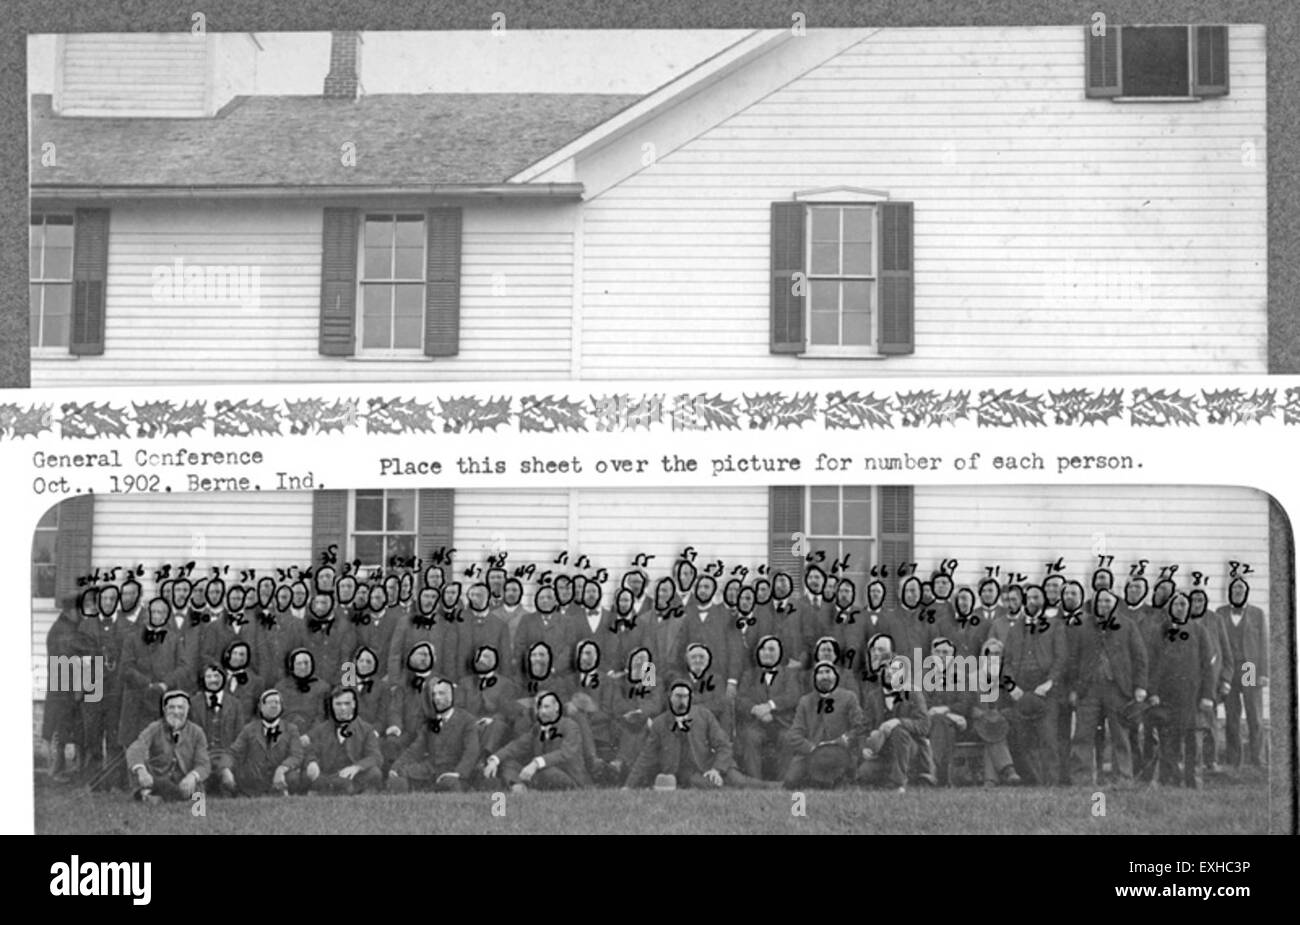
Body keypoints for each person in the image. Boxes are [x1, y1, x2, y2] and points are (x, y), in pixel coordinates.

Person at [1068, 589, 1148, 787]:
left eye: (1107, 601)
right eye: (1100, 601)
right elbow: (1073, 660)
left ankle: (1122, 778)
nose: (1103, 604)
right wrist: (1074, 688)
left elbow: (1140, 658)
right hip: (1089, 689)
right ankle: (1082, 779)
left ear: (1116, 603)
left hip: (1117, 689)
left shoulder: (1128, 625)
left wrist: (1140, 687)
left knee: (1120, 736)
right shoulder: (1084, 627)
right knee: (1083, 735)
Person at [1147, 593, 1217, 789]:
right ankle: (1170, 779)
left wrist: (1207, 695)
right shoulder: (1159, 631)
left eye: (1184, 604)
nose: (1181, 607)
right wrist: (1153, 692)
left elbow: (1208, 666)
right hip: (1167, 695)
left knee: (1193, 738)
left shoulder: (1199, 631)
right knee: (1169, 738)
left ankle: (1194, 780)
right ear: (1170, 607)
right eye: (1177, 604)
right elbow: (1152, 664)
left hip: (1192, 695)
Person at [624, 682, 748, 789]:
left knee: (740, 782)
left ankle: (766, 789)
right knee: (707, 785)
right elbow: (646, 756)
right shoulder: (659, 723)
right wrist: (628, 786)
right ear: (670, 697)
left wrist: (716, 770)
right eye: (678, 696)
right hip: (686, 772)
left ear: (691, 698)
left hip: (710, 764)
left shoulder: (703, 715)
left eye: (685, 696)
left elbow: (723, 745)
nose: (682, 700)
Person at [1002, 585, 1067, 785]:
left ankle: (1052, 782)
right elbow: (1008, 661)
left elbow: (1061, 658)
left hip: (1045, 691)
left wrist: (1049, 683)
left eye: (1036, 597)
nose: (1032, 601)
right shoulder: (1015, 630)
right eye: (1028, 597)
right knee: (1023, 739)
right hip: (1021, 692)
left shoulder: (1055, 625)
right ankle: (1031, 780)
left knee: (1048, 737)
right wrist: (1011, 686)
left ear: (1043, 599)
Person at [118, 596, 193, 765]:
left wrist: (165, 683)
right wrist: (146, 683)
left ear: (167, 615)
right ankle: (137, 780)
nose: (157, 615)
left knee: (162, 741)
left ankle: (159, 778)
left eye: (162, 612)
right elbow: (126, 667)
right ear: (147, 613)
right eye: (154, 611)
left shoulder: (174, 639)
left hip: (163, 698)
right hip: (138, 697)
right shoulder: (132, 637)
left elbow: (184, 667)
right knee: (136, 740)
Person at [856, 641, 935, 792]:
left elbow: (924, 725)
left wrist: (898, 721)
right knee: (864, 774)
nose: (889, 672)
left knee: (899, 731)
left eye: (894, 669)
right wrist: (864, 748)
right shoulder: (873, 697)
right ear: (879, 672)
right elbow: (863, 728)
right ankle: (897, 775)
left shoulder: (913, 693)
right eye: (884, 668)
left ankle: (898, 783)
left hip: (911, 750)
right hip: (883, 752)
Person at [484, 691, 591, 791]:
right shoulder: (537, 728)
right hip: (542, 772)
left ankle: (526, 785)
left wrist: (535, 763)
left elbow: (565, 753)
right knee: (509, 764)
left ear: (556, 707)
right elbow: (517, 745)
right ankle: (517, 786)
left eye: (546, 707)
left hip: (568, 775)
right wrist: (495, 759)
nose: (542, 711)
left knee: (549, 773)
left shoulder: (570, 726)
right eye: (538, 707)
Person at [388, 678, 480, 793]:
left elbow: (471, 751)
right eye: (434, 694)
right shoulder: (430, 723)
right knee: (399, 776)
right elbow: (415, 750)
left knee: (450, 784)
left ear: (452, 697)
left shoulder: (467, 721)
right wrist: (396, 767)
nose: (436, 698)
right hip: (430, 769)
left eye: (441, 693)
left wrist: (458, 773)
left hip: (453, 770)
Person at [785, 661, 865, 790]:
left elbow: (859, 727)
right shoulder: (805, 701)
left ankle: (835, 781)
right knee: (791, 779)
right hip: (812, 753)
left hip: (841, 752)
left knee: (841, 781)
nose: (824, 676)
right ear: (814, 677)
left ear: (835, 676)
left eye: (828, 672)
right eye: (820, 673)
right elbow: (794, 733)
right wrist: (811, 747)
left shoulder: (849, 697)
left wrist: (842, 741)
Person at [1215, 578, 1268, 771]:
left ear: (1247, 591)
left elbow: (1263, 645)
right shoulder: (1220, 613)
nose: (1238, 591)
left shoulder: (1257, 613)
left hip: (1249, 668)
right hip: (1229, 669)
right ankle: (1233, 759)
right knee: (1232, 715)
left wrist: (1263, 673)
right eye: (1234, 588)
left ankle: (1258, 759)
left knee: (1254, 715)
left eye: (1241, 588)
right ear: (1229, 591)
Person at [125, 689, 211, 804]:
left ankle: (154, 796)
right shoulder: (155, 728)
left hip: (183, 780)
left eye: (180, 708)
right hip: (157, 779)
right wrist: (141, 771)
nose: (176, 712)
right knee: (137, 765)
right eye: (171, 707)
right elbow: (136, 748)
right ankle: (149, 794)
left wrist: (192, 776)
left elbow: (204, 763)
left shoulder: (197, 732)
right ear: (164, 710)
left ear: (187, 710)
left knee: (197, 790)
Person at [736, 635, 802, 781]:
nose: (766, 653)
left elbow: (793, 696)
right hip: (756, 722)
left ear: (780, 653)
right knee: (749, 736)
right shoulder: (749, 674)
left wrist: (769, 706)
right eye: (763, 649)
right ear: (758, 653)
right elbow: (740, 699)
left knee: (788, 738)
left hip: (782, 722)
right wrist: (755, 710)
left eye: (771, 649)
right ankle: (754, 782)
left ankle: (784, 782)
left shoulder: (789, 674)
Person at [44, 592, 91, 780]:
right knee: (62, 729)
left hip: (70, 687)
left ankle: (77, 767)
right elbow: (69, 660)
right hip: (63, 688)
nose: (82, 613)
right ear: (71, 610)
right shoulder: (62, 631)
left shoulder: (70, 627)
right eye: (79, 610)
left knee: (75, 728)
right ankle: (57, 770)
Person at [303, 686, 384, 795]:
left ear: (354, 704)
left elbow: (375, 757)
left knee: (375, 773)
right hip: (329, 775)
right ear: (332, 705)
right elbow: (312, 752)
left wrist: (356, 767)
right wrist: (312, 762)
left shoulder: (366, 729)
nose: (343, 708)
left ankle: (335, 790)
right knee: (308, 775)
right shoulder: (321, 729)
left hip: (354, 776)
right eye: (338, 704)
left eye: (347, 704)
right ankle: (339, 789)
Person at [228, 689, 305, 796]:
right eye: (269, 702)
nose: (274, 706)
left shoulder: (291, 729)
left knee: (293, 776)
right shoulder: (249, 729)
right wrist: (226, 769)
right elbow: (234, 752)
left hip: (280, 776)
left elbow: (297, 755)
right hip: (255, 778)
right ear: (261, 707)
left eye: (277, 702)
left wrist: (281, 769)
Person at [456, 645, 525, 762]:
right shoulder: (465, 682)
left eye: (486, 656)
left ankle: (483, 760)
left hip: (492, 724)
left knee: (497, 726)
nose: (480, 660)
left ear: (495, 661)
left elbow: (507, 711)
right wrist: (470, 722)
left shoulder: (505, 684)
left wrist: (491, 719)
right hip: (469, 723)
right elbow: (458, 707)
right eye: (478, 657)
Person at [603, 646, 662, 781]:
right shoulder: (620, 681)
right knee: (631, 726)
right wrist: (631, 712)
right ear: (629, 663)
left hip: (644, 720)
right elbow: (617, 704)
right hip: (622, 721)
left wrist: (640, 712)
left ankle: (621, 764)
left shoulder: (654, 681)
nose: (640, 662)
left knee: (641, 727)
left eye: (644, 660)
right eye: (636, 659)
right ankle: (633, 772)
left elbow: (656, 704)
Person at [188, 662, 247, 795]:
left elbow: (240, 739)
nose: (213, 680)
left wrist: (227, 763)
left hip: (227, 754)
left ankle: (227, 797)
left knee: (227, 785)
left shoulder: (235, 704)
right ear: (203, 679)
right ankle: (198, 813)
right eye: (209, 676)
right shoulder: (193, 703)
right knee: (198, 787)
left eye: (217, 676)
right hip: (202, 756)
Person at [454, 582, 511, 684]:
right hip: (462, 680)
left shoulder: (500, 625)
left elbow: (505, 659)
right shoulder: (458, 622)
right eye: (472, 595)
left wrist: (502, 683)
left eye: (479, 595)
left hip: (491, 682)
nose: (475, 599)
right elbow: (451, 654)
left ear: (488, 597)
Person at [274, 648, 329, 735]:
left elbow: (322, 716)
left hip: (315, 735)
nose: (303, 667)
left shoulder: (323, 687)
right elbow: (279, 715)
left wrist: (310, 736)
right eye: (299, 664)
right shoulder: (280, 687)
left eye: (306, 663)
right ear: (291, 666)